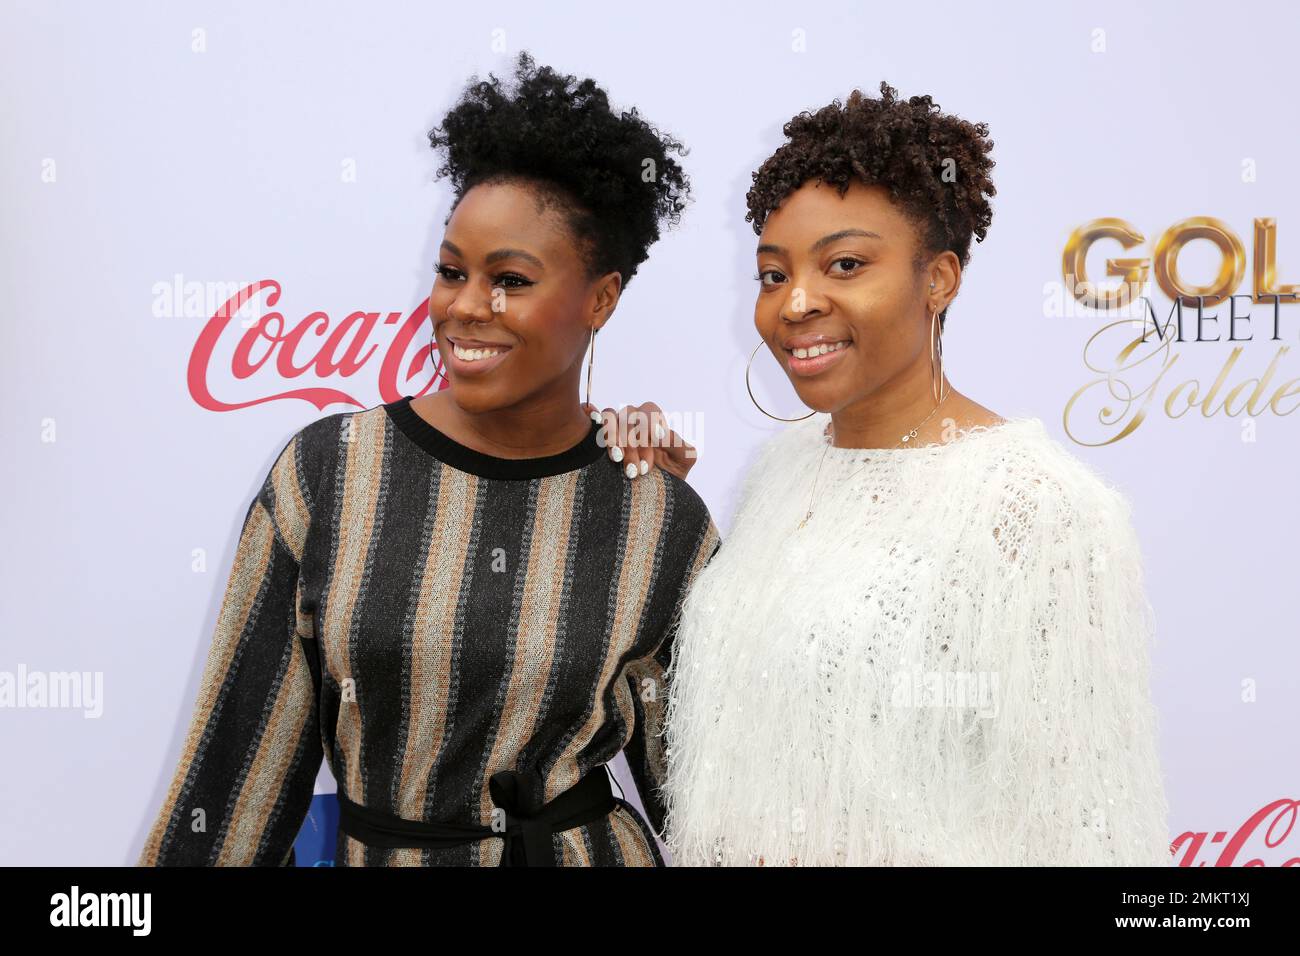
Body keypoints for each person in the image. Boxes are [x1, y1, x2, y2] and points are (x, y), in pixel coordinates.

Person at [137, 51, 718, 867]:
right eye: (451, 272)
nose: (466, 307)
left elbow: (706, 793)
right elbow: (237, 773)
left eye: (509, 279)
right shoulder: (328, 475)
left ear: (601, 299)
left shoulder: (656, 514)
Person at [651, 82, 1172, 866]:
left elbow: (1092, 828)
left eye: (846, 264)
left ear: (940, 279)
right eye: (772, 274)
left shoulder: (1039, 509)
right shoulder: (783, 468)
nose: (795, 303)